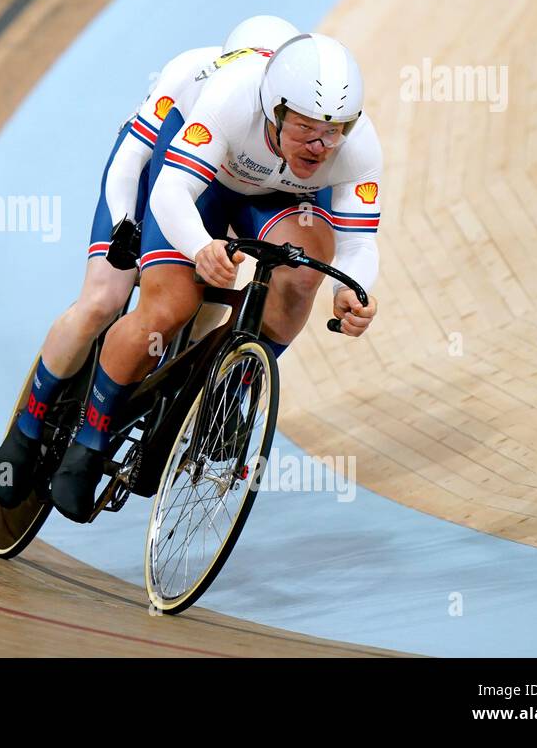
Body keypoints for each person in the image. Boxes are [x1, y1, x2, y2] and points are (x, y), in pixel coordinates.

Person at [43, 33, 382, 520]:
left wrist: (351, 288)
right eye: (306, 128)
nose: (321, 144)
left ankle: (229, 387)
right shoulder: (229, 100)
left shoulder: (358, 146)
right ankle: (90, 440)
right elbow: (171, 191)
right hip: (203, 186)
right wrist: (201, 248)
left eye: (334, 131)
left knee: (303, 275)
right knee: (169, 309)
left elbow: (357, 243)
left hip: (276, 199)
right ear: (275, 112)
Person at [0, 16, 300, 509]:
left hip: (213, 186)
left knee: (215, 283)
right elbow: (130, 163)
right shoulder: (193, 77)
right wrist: (122, 226)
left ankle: (188, 386)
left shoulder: (271, 120)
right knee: (103, 299)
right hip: (149, 175)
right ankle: (28, 427)